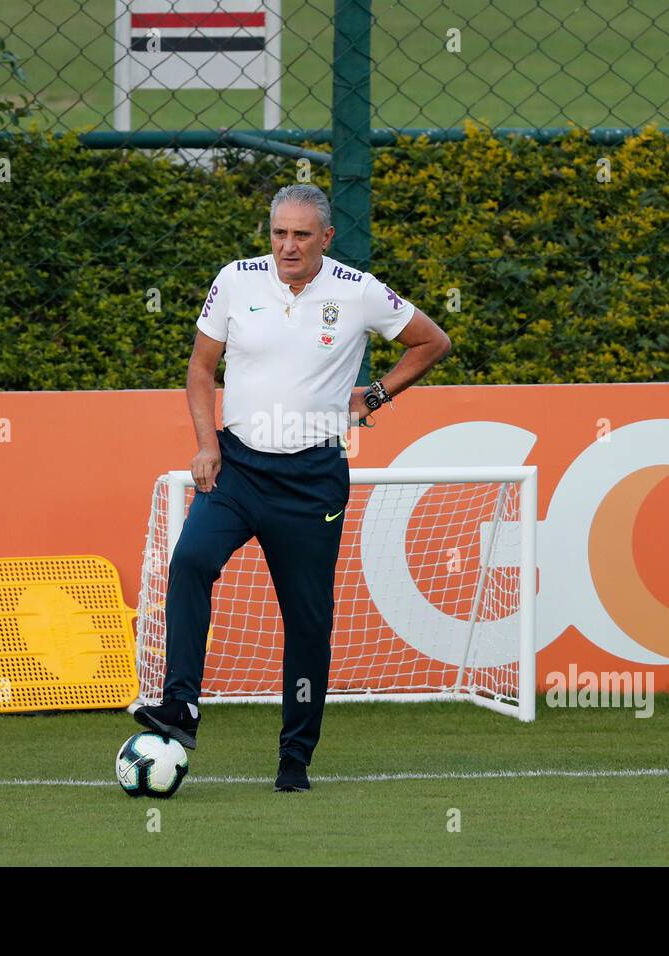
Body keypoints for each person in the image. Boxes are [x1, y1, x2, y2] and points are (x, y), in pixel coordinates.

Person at [134, 184, 452, 791]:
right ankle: (180, 707)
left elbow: (432, 341)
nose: (288, 246)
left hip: (313, 481)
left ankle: (294, 759)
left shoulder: (358, 291)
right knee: (191, 561)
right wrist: (206, 445)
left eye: (302, 235)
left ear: (325, 238)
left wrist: (376, 395)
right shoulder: (236, 279)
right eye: (280, 232)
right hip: (238, 469)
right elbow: (201, 369)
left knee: (307, 621)